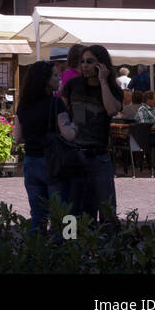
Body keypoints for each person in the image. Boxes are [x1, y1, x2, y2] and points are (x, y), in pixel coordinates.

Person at [56, 44, 122, 225]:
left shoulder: (112, 88)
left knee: (107, 208)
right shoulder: (72, 85)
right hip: (74, 154)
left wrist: (103, 82)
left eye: (90, 62)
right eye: (82, 61)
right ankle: (71, 248)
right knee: (72, 210)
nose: (84, 65)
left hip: (99, 156)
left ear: (101, 64)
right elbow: (60, 112)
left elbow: (111, 110)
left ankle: (107, 250)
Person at [14, 61, 63, 234]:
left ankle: (37, 249)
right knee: (64, 213)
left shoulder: (23, 106)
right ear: (45, 80)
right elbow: (68, 134)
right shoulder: (56, 104)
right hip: (54, 162)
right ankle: (67, 247)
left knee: (38, 214)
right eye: (56, 75)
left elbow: (17, 138)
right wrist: (76, 127)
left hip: (31, 163)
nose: (59, 79)